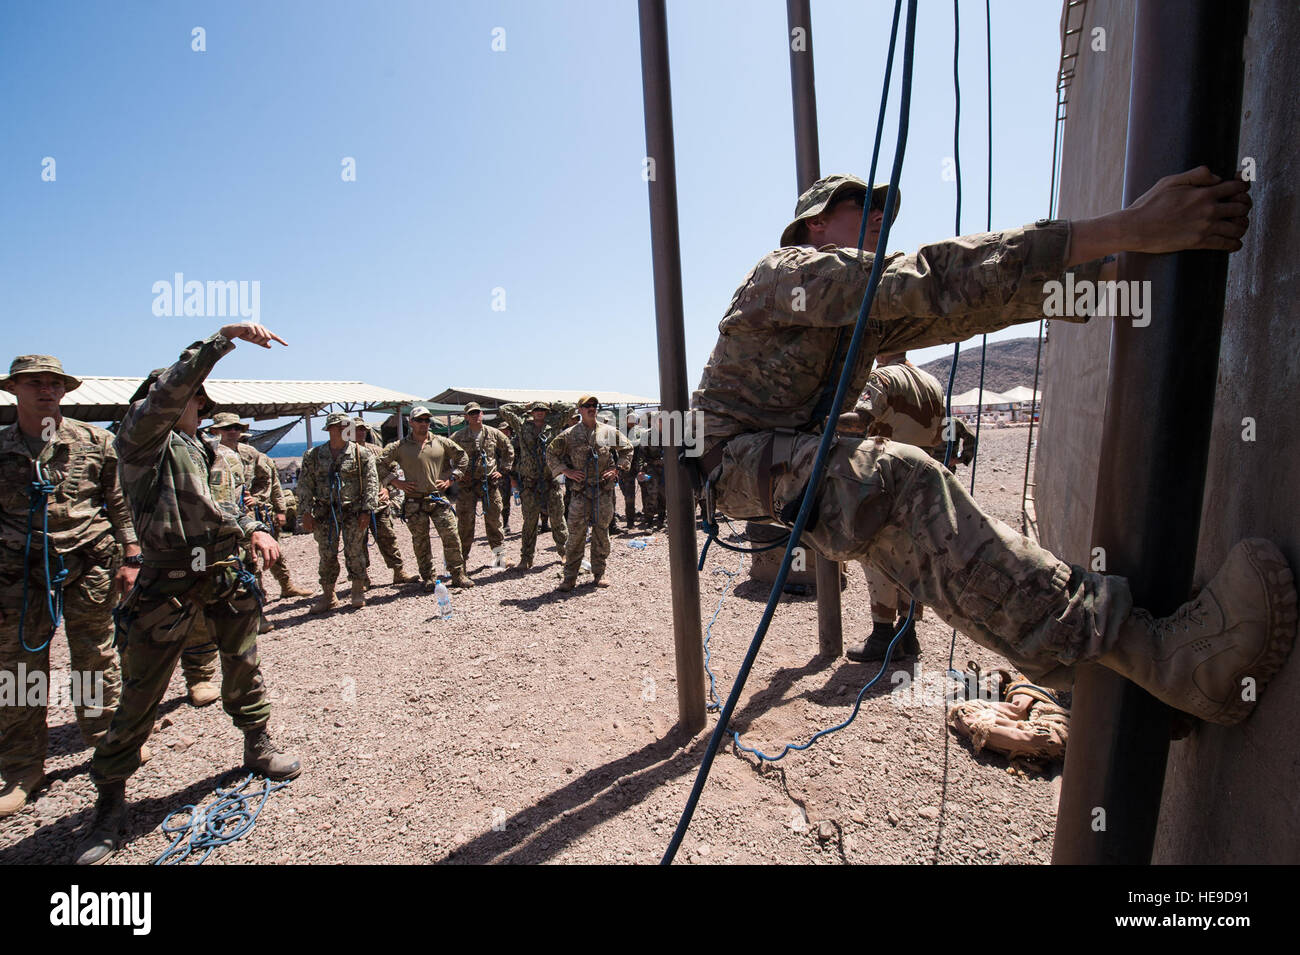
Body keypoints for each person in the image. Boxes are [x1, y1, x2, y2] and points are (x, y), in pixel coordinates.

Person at [690, 168, 1294, 726]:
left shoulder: (857, 315)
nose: (879, 214)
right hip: (735, 460)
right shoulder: (787, 273)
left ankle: (1128, 685)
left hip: (785, 450)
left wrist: (1113, 276)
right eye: (860, 205)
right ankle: (1160, 657)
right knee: (898, 482)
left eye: (882, 207)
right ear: (816, 223)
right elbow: (929, 278)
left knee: (909, 527)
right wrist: (1126, 227)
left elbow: (969, 301)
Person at [77, 323, 300, 865]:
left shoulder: (208, 452)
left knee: (244, 665)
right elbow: (171, 391)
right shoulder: (140, 441)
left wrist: (252, 528)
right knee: (142, 689)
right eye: (192, 395)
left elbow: (229, 506)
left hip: (222, 573)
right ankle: (109, 799)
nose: (199, 403)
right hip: (168, 579)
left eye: (202, 398)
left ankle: (257, 742)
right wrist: (219, 341)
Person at [0, 356, 141, 817]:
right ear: (14, 390)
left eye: (54, 383)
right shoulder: (1, 448)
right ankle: (22, 768)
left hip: (90, 560)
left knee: (95, 653)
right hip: (18, 569)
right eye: (35, 383)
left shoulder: (95, 441)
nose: (46, 390)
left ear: (64, 391)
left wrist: (132, 558)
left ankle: (105, 742)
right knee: (19, 666)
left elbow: (118, 504)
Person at [844, 351, 974, 661]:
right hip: (924, 485)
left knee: (878, 554)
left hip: (887, 482)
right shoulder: (932, 383)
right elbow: (945, 434)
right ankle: (908, 634)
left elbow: (858, 420)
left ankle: (882, 635)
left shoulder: (882, 378)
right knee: (915, 557)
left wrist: (824, 423)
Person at [208, 413, 312, 604]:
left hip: (254, 515)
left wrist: (257, 499)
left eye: (236, 428)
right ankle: (257, 599)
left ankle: (286, 585)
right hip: (227, 519)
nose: (233, 432)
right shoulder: (208, 455)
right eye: (227, 428)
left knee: (272, 551)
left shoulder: (251, 454)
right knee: (248, 561)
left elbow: (269, 480)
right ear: (215, 431)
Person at [379, 407, 474, 588]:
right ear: (411, 422)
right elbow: (379, 464)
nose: (424, 424)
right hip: (414, 501)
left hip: (437, 498)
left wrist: (451, 478)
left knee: (452, 537)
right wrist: (396, 483)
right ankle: (429, 578)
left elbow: (462, 457)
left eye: (427, 420)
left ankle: (458, 575)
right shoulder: (399, 447)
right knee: (421, 542)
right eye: (420, 420)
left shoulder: (441, 442)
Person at [547, 396, 633, 591]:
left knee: (602, 533)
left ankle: (599, 573)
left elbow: (627, 448)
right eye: (587, 406)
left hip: (603, 491)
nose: (592, 409)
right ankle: (570, 577)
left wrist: (617, 469)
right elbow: (551, 453)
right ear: (580, 409)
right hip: (580, 493)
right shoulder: (569, 435)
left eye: (594, 406)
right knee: (576, 535)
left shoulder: (608, 431)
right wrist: (565, 471)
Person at [296, 413, 378, 613]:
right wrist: (305, 512)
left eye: (346, 426)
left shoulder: (361, 453)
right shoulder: (313, 455)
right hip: (325, 511)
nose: (344, 429)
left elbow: (371, 483)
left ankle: (357, 590)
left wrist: (367, 510)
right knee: (327, 554)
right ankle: (328, 595)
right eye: (340, 426)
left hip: (353, 510)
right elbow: (305, 485)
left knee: (355, 551)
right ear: (330, 429)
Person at [499, 399, 575, 570]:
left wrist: (550, 404)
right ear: (532, 412)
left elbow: (570, 408)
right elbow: (504, 410)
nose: (539, 412)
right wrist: (525, 406)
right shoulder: (522, 426)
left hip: (550, 480)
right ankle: (526, 558)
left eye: (542, 409)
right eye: (536, 409)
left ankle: (564, 553)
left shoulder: (553, 426)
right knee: (530, 521)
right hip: (530, 482)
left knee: (558, 519)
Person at [353, 417, 418, 586]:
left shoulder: (376, 451)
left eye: (363, 430)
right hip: (354, 507)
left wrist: (388, 489)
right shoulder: (345, 453)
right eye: (357, 429)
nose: (360, 432)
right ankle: (363, 577)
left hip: (378, 505)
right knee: (357, 543)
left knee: (388, 538)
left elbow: (391, 471)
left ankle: (399, 571)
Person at [451, 402, 515, 568]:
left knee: (494, 523)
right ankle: (460, 561)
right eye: (471, 413)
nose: (475, 416)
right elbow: (444, 454)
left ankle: (500, 558)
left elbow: (508, 449)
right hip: (467, 487)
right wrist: (455, 475)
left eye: (477, 412)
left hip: (489, 485)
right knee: (465, 524)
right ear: (466, 417)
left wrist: (503, 470)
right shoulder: (458, 436)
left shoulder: (493, 433)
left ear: (482, 414)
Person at [633, 414, 667, 529]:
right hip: (652, 469)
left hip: (666, 469)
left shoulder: (671, 434)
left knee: (664, 495)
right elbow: (641, 456)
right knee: (652, 494)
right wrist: (641, 470)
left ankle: (661, 519)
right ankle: (649, 521)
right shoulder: (647, 435)